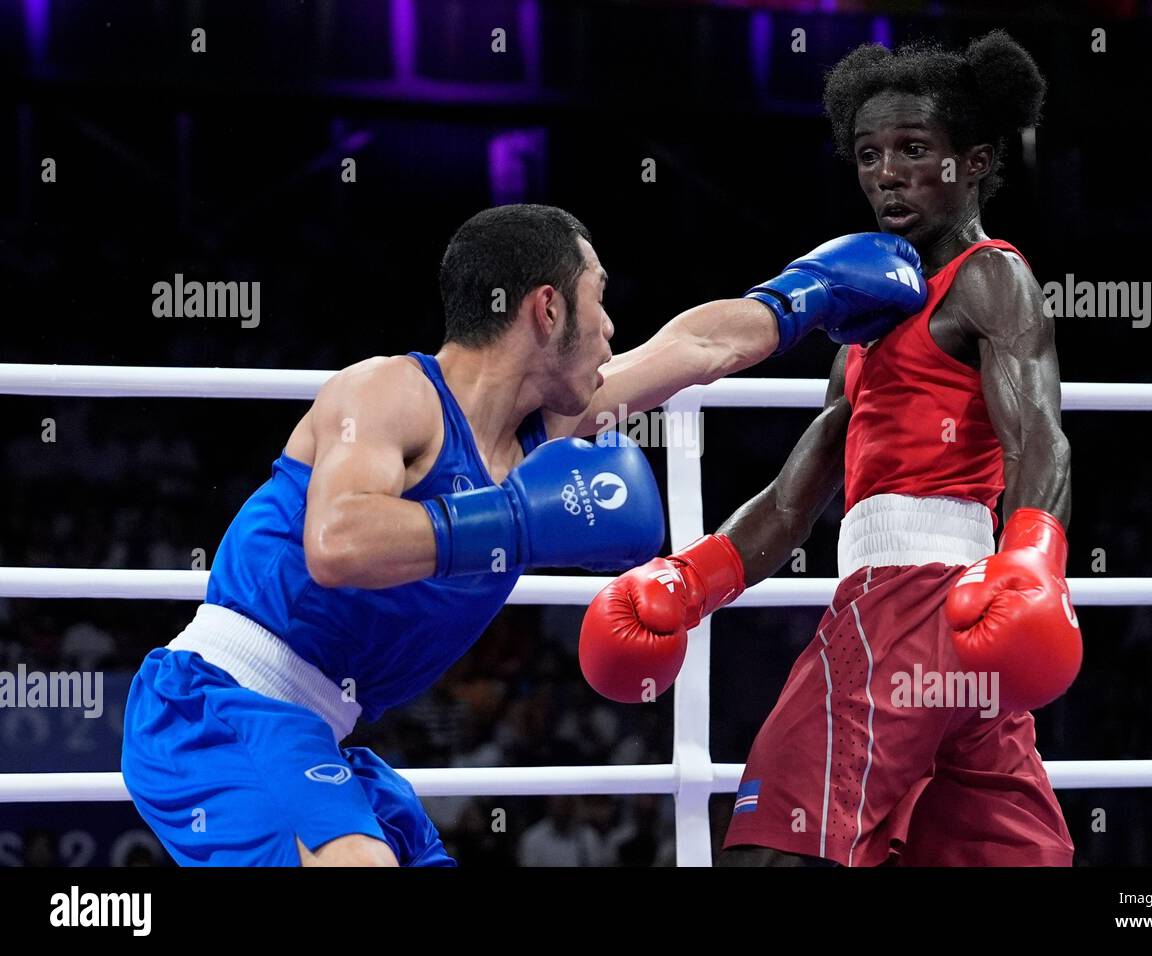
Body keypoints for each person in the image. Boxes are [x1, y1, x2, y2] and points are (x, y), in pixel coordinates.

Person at [121, 202, 926, 866]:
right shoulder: (393, 392)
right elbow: (337, 542)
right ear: (547, 308)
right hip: (221, 707)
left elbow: (694, 348)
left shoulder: (547, 431)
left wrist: (810, 294)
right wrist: (515, 521)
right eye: (599, 298)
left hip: (317, 731)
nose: (612, 326)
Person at [581, 32, 1081, 866]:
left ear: (976, 161)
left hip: (911, 605)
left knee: (775, 844)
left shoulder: (990, 275)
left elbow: (1041, 435)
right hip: (964, 634)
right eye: (869, 154)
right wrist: (694, 579)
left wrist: (1033, 557)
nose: (887, 173)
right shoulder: (866, 317)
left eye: (915, 150)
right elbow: (794, 497)